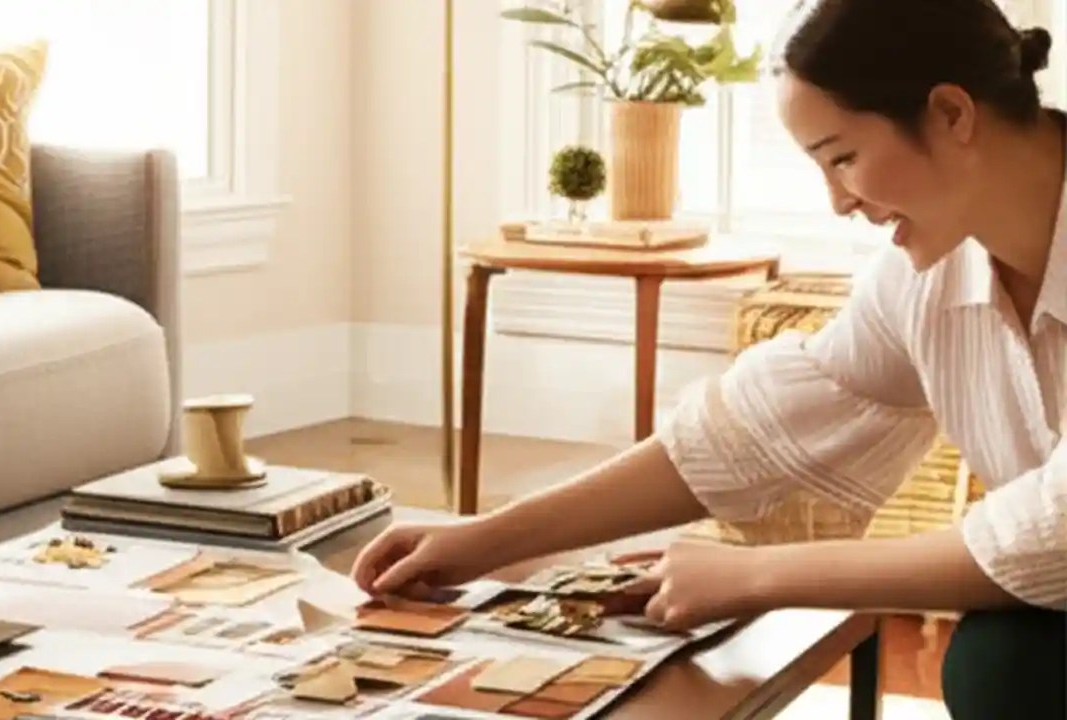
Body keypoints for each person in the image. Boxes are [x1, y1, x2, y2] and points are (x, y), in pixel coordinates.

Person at [350, 0, 1067, 717]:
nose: (838, 202)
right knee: (1003, 660)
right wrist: (485, 540)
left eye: (843, 157)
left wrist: (754, 576)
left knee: (1003, 662)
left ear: (950, 114)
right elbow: (747, 436)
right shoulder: (930, 274)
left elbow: (1051, 532)